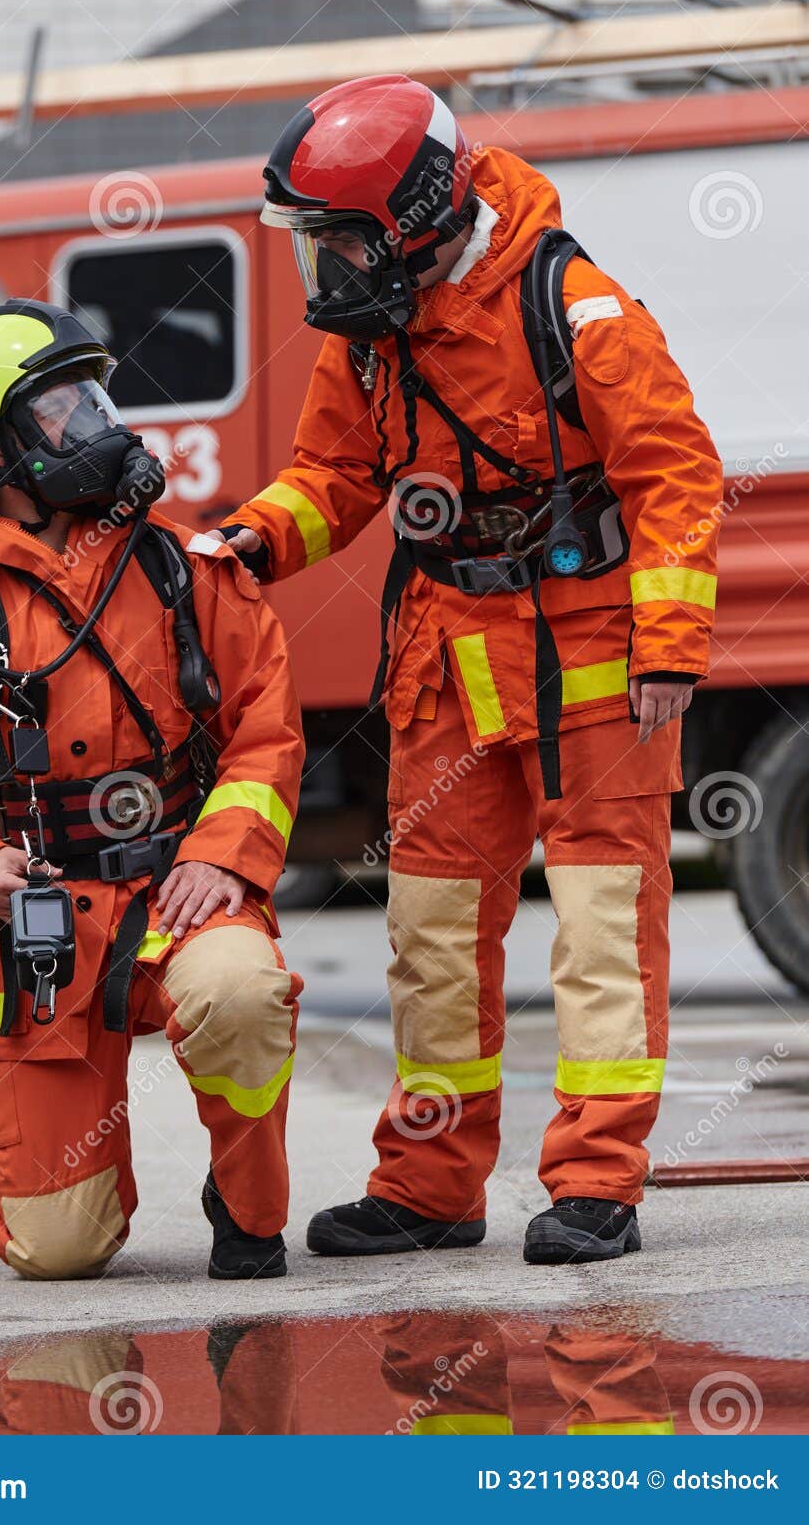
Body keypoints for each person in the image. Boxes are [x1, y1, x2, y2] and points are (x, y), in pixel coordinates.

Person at [211, 75, 722, 1265]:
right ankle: (431, 1184)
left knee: (601, 930)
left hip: (591, 659)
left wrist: (669, 649)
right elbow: (334, 477)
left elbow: (675, 479)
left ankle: (596, 1182)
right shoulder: (374, 334)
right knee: (430, 936)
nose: (328, 269)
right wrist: (251, 539)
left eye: (340, 241)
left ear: (414, 218)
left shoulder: (575, 306)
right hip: (445, 659)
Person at [0, 299, 304, 1281]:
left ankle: (249, 1206)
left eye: (93, 397)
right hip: (33, 936)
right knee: (59, 1250)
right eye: (63, 408)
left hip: (177, 894)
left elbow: (265, 726)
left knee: (240, 988)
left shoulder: (183, 567)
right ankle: (72, 1195)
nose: (101, 424)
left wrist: (222, 854)